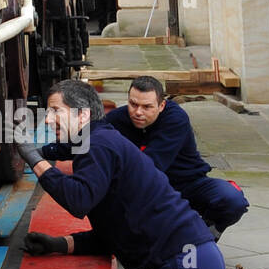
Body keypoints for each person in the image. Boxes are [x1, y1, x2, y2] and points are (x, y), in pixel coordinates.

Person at [16, 79, 269, 269]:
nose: (48, 120)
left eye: (55, 111)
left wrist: (32, 157)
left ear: (83, 115)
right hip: (196, 266)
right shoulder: (103, 141)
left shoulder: (98, 146)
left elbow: (78, 199)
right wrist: (59, 244)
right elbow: (112, 236)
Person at [106, 76, 248, 235]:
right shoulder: (116, 119)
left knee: (232, 199)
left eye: (147, 107)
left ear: (161, 105)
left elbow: (151, 166)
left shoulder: (175, 118)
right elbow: (86, 140)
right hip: (146, 190)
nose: (138, 112)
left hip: (187, 185)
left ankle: (204, 234)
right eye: (133, 104)